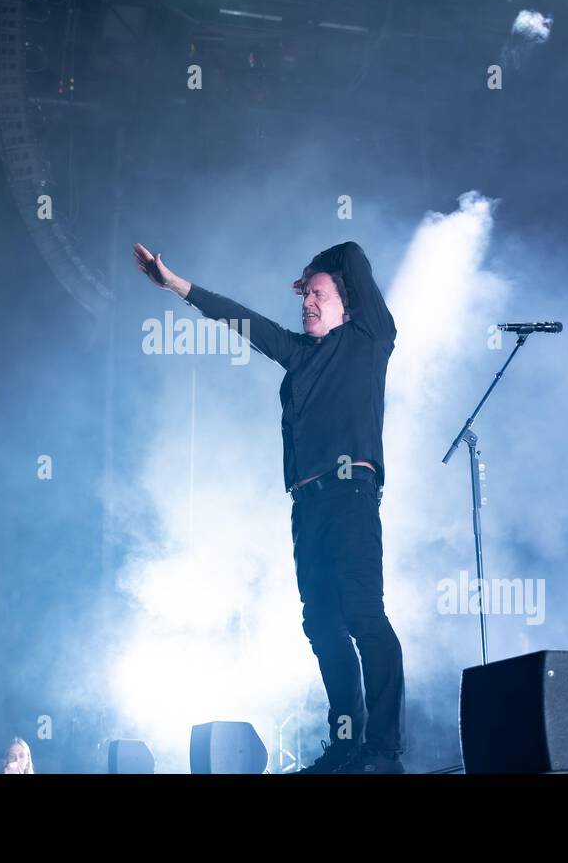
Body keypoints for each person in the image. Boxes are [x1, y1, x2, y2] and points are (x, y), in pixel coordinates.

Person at [133, 240, 405, 774]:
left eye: (317, 294)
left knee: (363, 615)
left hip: (351, 496)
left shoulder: (369, 338)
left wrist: (313, 267)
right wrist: (177, 286)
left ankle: (385, 745)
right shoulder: (298, 354)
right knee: (322, 624)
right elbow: (244, 320)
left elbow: (350, 252)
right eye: (305, 295)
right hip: (308, 507)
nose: (306, 301)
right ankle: (348, 741)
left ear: (347, 302)